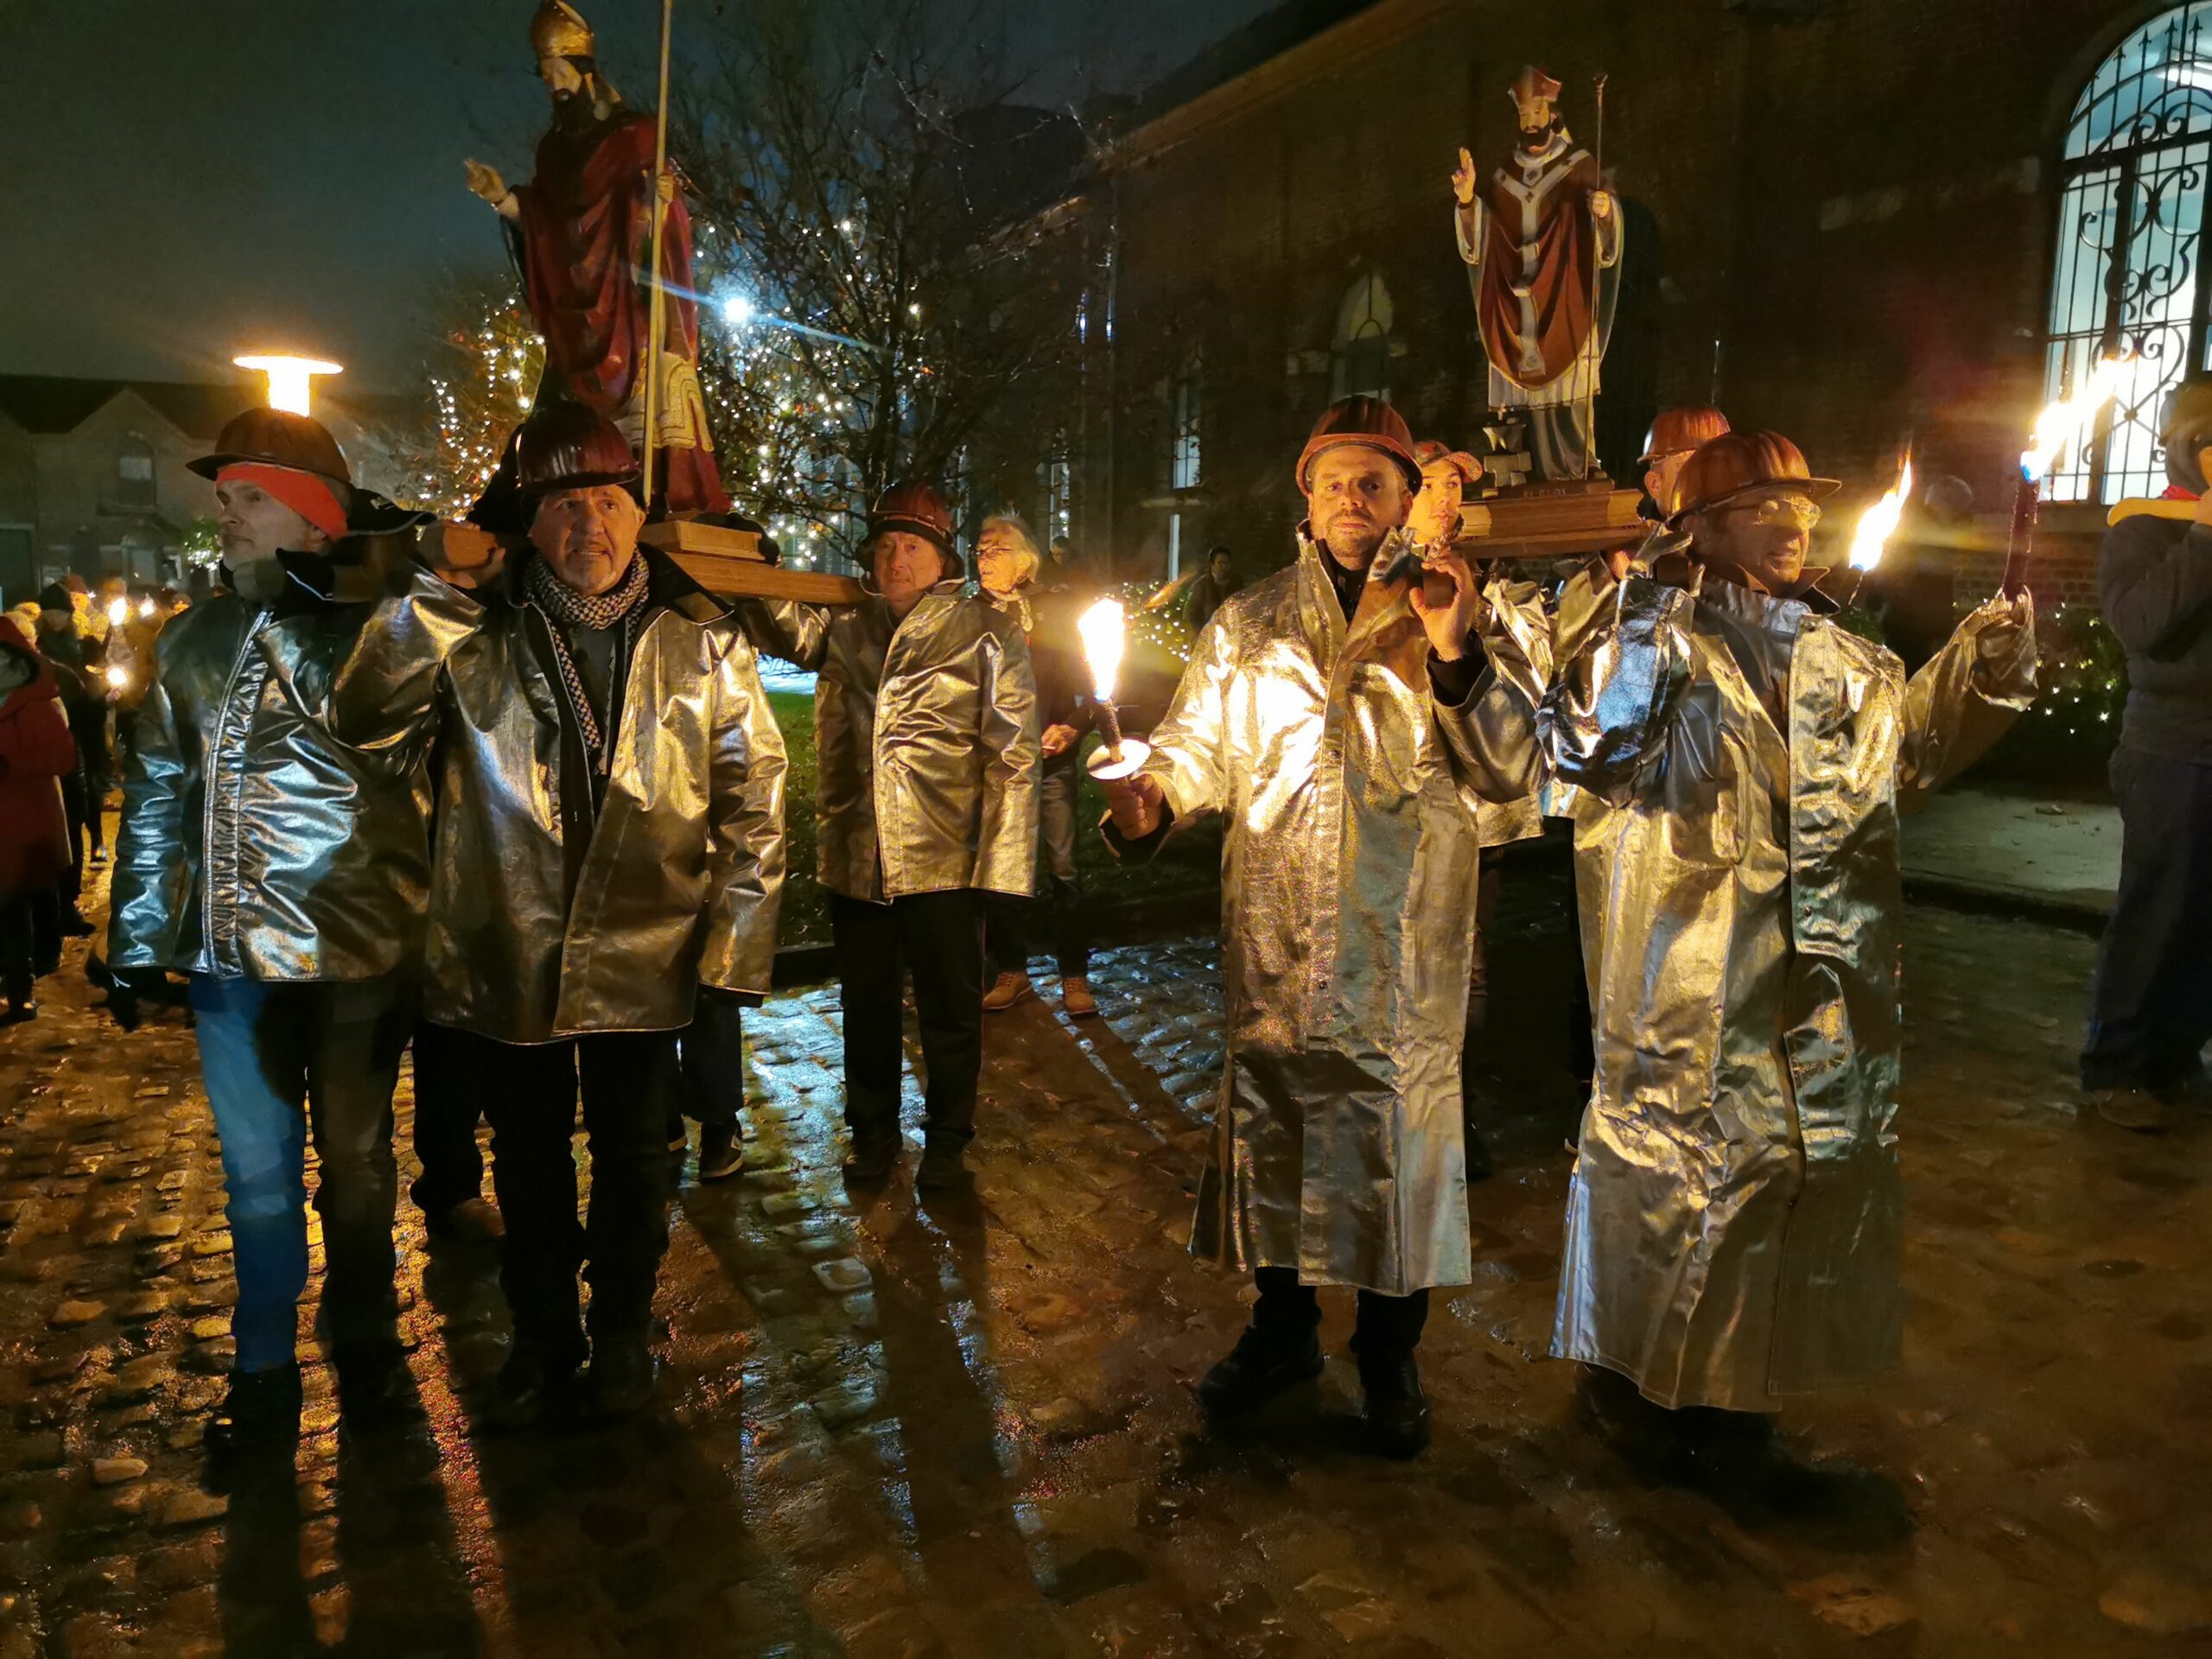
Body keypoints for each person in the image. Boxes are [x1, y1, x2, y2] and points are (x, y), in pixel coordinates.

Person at [1541, 429, 2036, 1480]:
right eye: (1766, 506)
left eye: (1804, 509)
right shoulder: (1654, 635)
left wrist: (1979, 667)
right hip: (1685, 967)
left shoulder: (1846, 657)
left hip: (1813, 971)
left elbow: (1906, 761)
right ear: (1703, 528)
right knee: (1674, 1166)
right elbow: (1586, 748)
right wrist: (1645, 608)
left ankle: (1729, 1405)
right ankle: (1626, 1379)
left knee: (1780, 1171)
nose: (1795, 526)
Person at [1097, 397, 1548, 1458]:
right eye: (1336, 481)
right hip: (1278, 942)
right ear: (1306, 494)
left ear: (1404, 497)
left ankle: (1389, 1356)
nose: (1354, 499)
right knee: (1280, 1138)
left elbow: (1511, 768)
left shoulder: (1460, 610)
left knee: (1399, 1150)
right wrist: (1148, 798)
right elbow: (1198, 750)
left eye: (1374, 483)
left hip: (1402, 944)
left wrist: (1453, 651)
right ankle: (1282, 1331)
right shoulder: (1249, 621)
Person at [334, 404, 786, 1422]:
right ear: (529, 524)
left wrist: (735, 945)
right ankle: (543, 1333)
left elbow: (754, 795)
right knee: (528, 1159)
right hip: (510, 945)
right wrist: (428, 600)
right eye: (566, 505)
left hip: (648, 944)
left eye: (611, 502)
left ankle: (622, 1328)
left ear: (639, 516)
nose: (592, 524)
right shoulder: (472, 632)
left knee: (637, 1155)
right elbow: (363, 729)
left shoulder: (703, 639)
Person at [106, 408, 435, 1458]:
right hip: (230, 963)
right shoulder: (192, 638)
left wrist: (366, 583)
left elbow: (390, 722)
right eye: (226, 499)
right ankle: (263, 1373)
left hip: (354, 954)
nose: (229, 516)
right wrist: (137, 937)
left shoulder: (386, 630)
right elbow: (156, 790)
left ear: (315, 518)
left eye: (253, 497)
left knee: (356, 1163)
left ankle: (369, 1345)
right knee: (256, 1177)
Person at [741, 482, 1039, 1189]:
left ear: (941, 560)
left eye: (911, 546)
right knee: (866, 1007)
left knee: (949, 1010)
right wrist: (747, 562)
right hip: (860, 857)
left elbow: (1014, 755)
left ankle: (948, 1140)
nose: (896, 559)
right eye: (884, 546)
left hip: (948, 859)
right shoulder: (848, 627)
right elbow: (777, 624)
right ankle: (872, 1132)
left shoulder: (986, 632)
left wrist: (1002, 870)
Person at [465, 1, 728, 514]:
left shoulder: (638, 137)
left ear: (585, 71)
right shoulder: (552, 152)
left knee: (644, 407)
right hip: (575, 310)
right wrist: (502, 199)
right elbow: (546, 222)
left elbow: (665, 219)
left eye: (560, 72)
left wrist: (659, 206)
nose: (554, 85)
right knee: (557, 427)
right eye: (545, 76)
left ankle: (650, 496)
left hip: (629, 302)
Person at [2081, 376, 2212, 1129]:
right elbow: (2142, 623)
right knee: (2157, 913)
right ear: (2183, 445)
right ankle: (2118, 1068)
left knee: (2207, 923)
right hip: (2173, 752)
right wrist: (2207, 536)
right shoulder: (2145, 526)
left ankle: (2174, 1055)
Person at [976, 514, 1097, 1018]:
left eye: (997, 549)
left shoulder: (1055, 610)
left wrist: (1073, 726)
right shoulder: (969, 616)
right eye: (980, 550)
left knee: (1064, 868)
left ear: (1024, 559)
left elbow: (1094, 682)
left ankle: (1074, 974)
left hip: (1052, 764)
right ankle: (1012, 970)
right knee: (1002, 870)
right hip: (997, 768)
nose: (985, 558)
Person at [0, 618, 75, 1023]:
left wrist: (11, 765)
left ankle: (20, 988)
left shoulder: (36, 705)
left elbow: (61, 758)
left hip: (21, 823)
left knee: (13, 908)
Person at [31, 585, 101, 935]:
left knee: (74, 821)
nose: (55, 619)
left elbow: (90, 705)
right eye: (50, 613)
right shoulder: (37, 661)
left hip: (73, 748)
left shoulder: (81, 645)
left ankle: (66, 903)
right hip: (47, 755)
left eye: (60, 613)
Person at [1184, 546, 1240, 636]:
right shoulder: (1201, 586)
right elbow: (1191, 614)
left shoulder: (1237, 585)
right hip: (1207, 635)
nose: (1224, 566)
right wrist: (1202, 633)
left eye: (1226, 563)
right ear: (1212, 564)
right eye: (1220, 563)